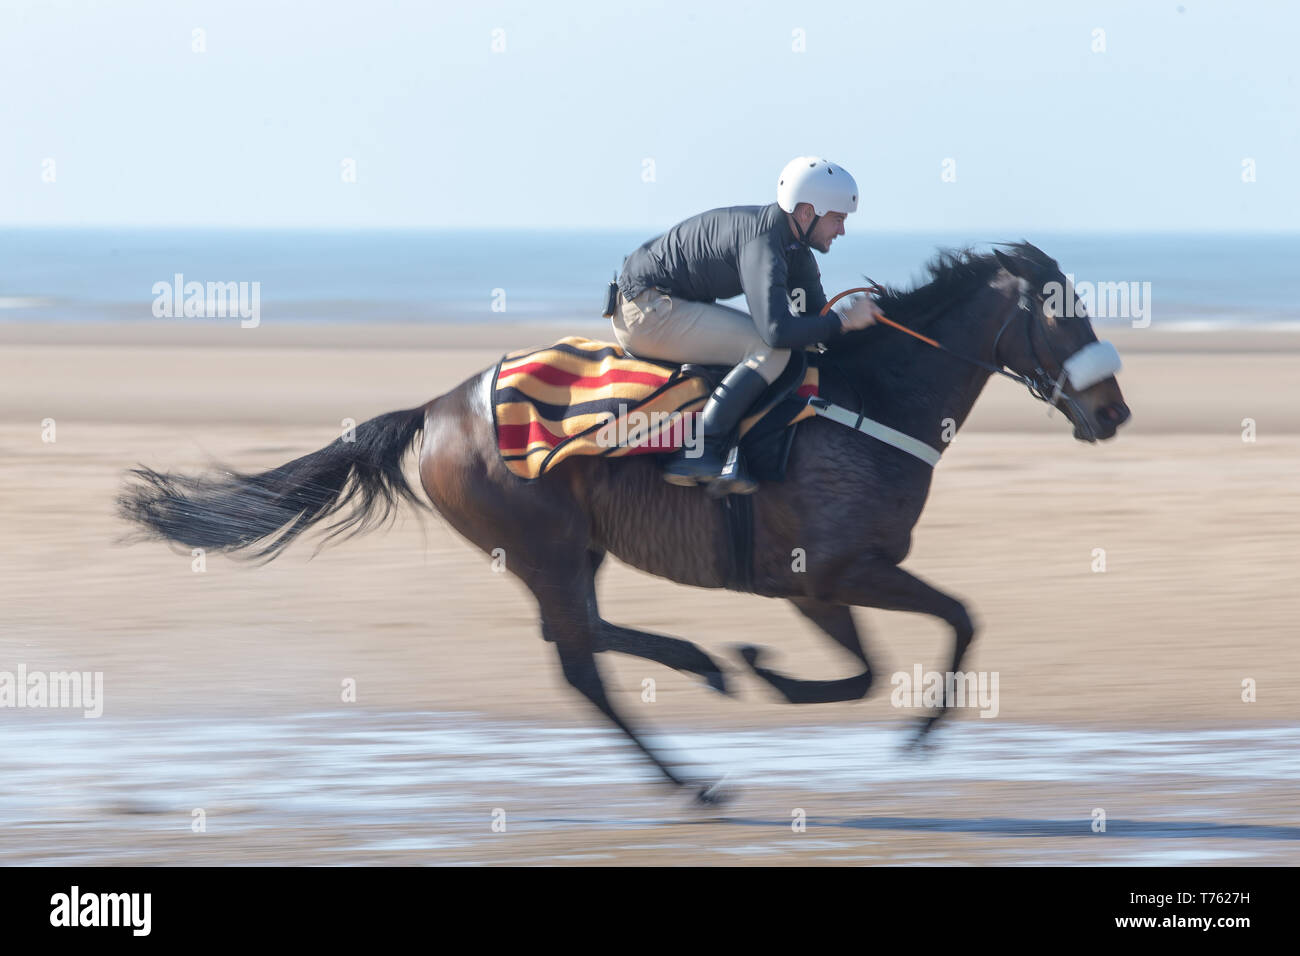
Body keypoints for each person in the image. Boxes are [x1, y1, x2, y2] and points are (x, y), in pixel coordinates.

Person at [612, 156, 881, 495]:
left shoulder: (795, 250)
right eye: (838, 219)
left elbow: (816, 318)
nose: (842, 229)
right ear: (805, 213)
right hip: (644, 312)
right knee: (769, 350)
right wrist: (842, 321)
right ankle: (701, 450)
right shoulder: (764, 242)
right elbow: (777, 332)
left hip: (663, 305)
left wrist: (865, 325)